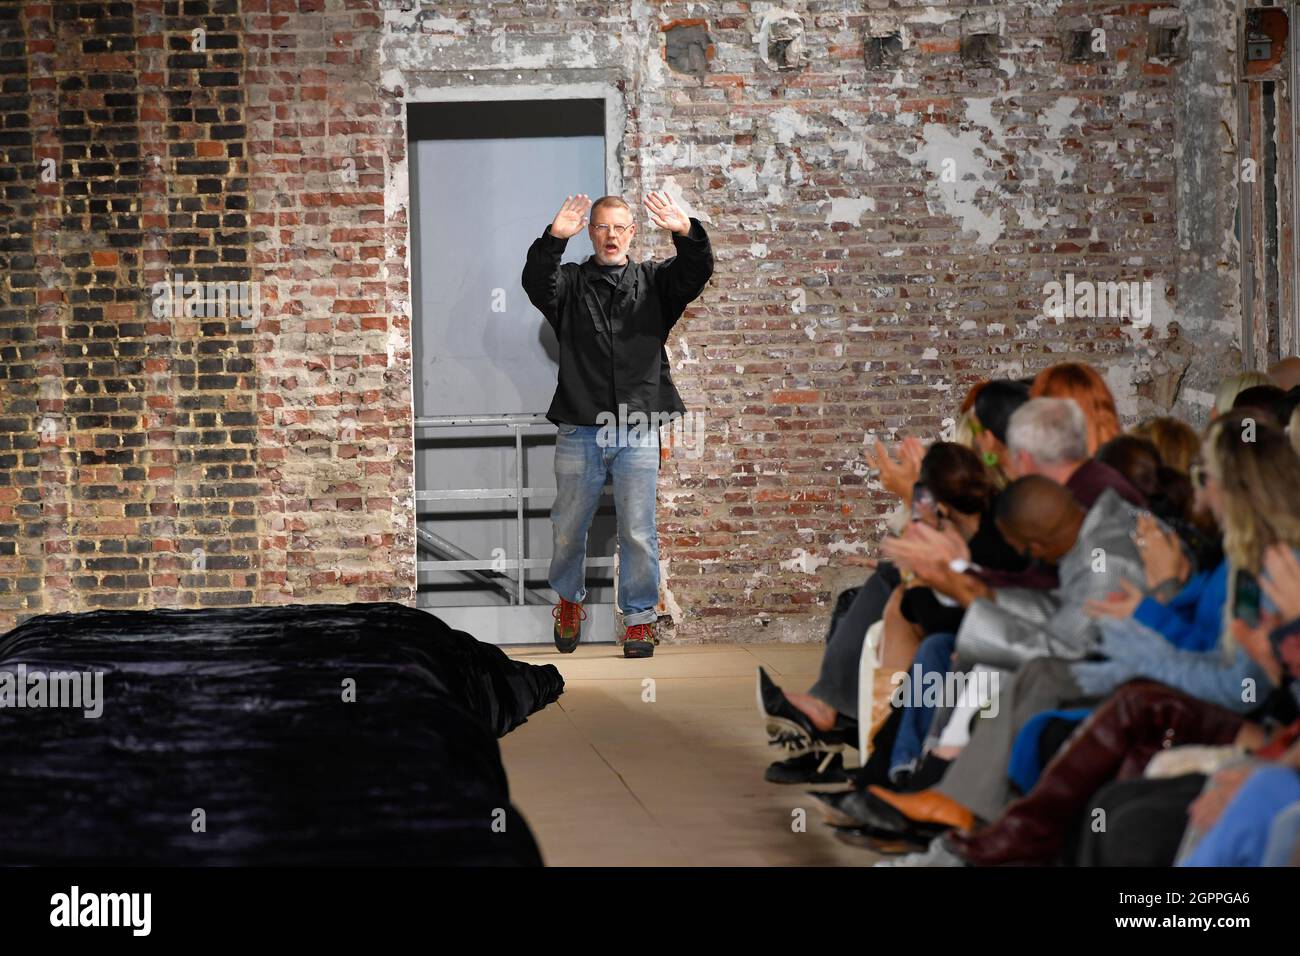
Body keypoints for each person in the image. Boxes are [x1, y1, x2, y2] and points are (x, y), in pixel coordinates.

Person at [522, 192, 714, 658]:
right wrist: (552, 240)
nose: (611, 235)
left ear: (632, 233)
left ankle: (640, 621)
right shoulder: (568, 284)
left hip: (638, 428)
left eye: (620, 227)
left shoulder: (655, 282)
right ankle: (569, 602)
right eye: (603, 226)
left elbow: (696, 271)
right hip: (579, 428)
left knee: (638, 530)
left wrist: (686, 231)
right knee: (568, 526)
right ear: (592, 232)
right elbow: (535, 283)